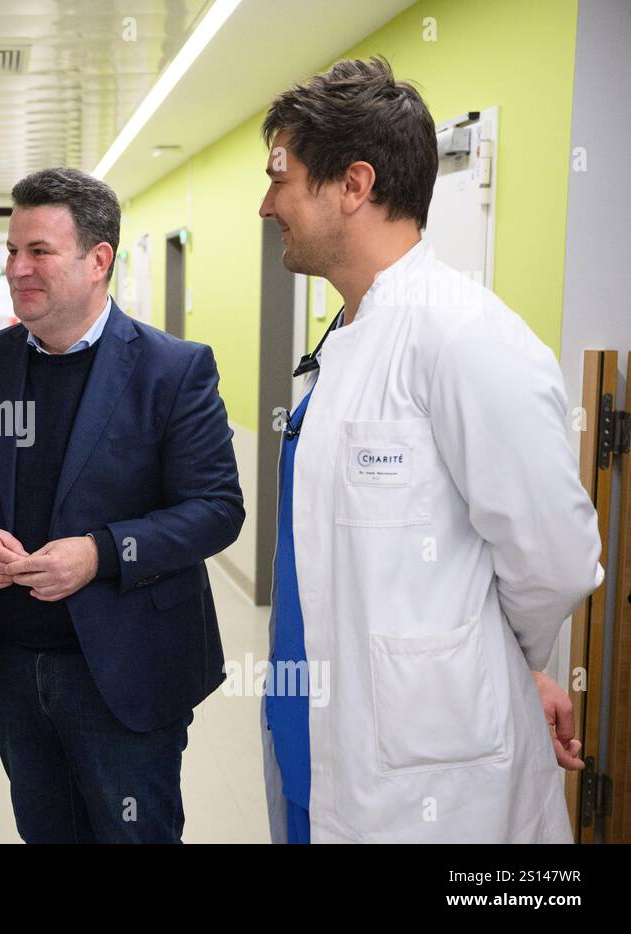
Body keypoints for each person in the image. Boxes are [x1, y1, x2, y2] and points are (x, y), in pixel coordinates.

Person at [257, 57, 602, 843]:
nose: (267, 203)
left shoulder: (466, 335)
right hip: (318, 747)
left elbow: (555, 559)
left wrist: (497, 661)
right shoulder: (347, 338)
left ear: (353, 184)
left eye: (282, 177)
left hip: (427, 782)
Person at [0, 167, 244, 843]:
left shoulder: (171, 370)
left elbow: (216, 508)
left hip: (125, 675)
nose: (17, 268)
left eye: (39, 251)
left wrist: (101, 552)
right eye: (12, 250)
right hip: (14, 667)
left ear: (99, 261)